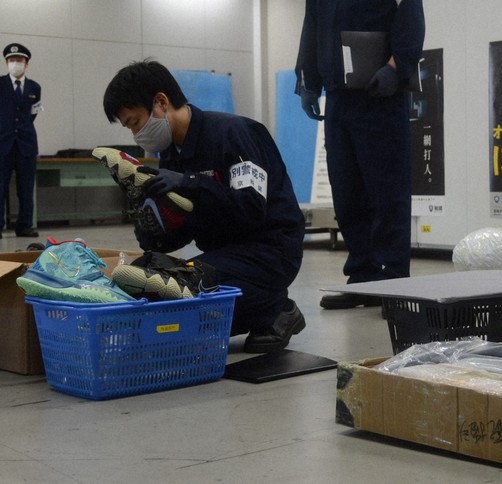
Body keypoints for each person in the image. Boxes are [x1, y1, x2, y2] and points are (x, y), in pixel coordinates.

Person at [102, 60, 306, 354]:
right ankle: (261, 305)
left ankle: (276, 309)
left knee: (187, 287)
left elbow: (251, 210)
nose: (136, 135)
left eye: (135, 122)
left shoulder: (235, 133)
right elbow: (188, 228)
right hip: (224, 256)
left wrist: (190, 182)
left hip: (270, 251)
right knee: (145, 277)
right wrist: (153, 228)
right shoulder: (172, 156)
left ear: (161, 102)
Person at [295, 0, 425, 309]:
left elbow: (411, 17)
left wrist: (396, 67)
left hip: (381, 96)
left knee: (387, 192)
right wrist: (308, 83)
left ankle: (394, 279)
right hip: (339, 97)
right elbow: (311, 28)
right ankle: (361, 277)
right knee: (347, 191)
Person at [0, 43, 41, 239]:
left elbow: (34, 113)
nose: (15, 63)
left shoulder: (35, 88)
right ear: (6, 62)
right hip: (3, 143)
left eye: (19, 60)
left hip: (26, 144)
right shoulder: (0, 85)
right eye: (12, 60)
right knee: (0, 186)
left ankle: (24, 225)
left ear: (27, 63)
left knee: (26, 188)